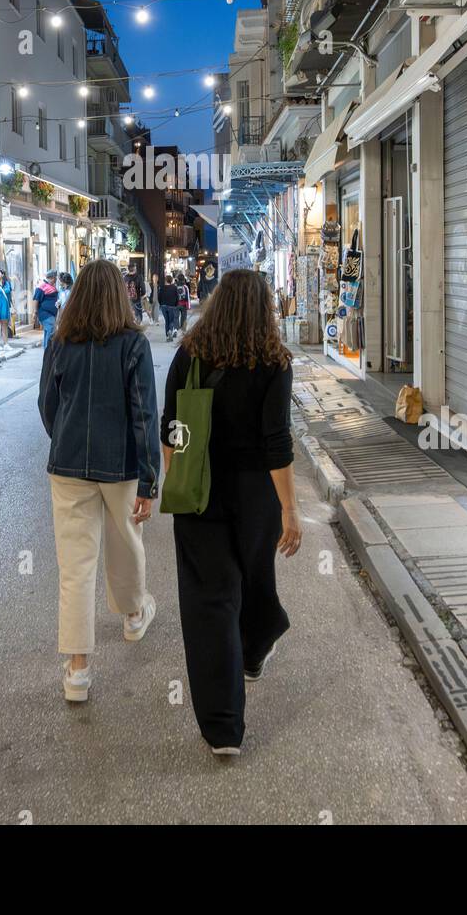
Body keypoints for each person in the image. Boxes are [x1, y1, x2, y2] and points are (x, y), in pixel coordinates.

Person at [161, 268, 301, 756]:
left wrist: (177, 473)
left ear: (217, 304)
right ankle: (259, 641)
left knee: (210, 602)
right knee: (253, 579)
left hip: (200, 491)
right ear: (264, 309)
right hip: (256, 495)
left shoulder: (190, 354)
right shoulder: (275, 362)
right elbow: (276, 442)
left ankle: (223, 728)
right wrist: (289, 509)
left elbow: (172, 427)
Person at [38, 259, 160, 703]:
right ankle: (132, 615)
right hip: (122, 465)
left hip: (68, 466)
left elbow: (47, 404)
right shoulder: (132, 345)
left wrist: (64, 438)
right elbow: (145, 414)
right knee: (126, 542)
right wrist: (149, 479)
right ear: (120, 294)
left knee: (75, 568)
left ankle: (77, 672)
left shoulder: (60, 342)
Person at [34, 272, 60, 346]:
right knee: (51, 330)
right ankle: (48, 351)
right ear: (51, 278)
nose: (56, 280)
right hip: (45, 313)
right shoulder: (41, 286)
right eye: (55, 278)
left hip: (50, 314)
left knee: (48, 331)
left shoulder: (50, 286)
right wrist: (35, 312)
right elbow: (36, 299)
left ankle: (46, 351)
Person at [0, 269, 13, 349]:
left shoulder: (7, 284)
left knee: (4, 326)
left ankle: (6, 344)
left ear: (2, 274)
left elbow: (10, 296)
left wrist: (13, 306)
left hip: (5, 307)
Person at [158, 273, 180, 341]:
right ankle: (170, 330)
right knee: (171, 320)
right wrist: (176, 304)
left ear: (166, 280)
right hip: (172, 306)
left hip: (163, 306)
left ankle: (167, 336)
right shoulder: (174, 287)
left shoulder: (162, 287)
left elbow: (159, 297)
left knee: (166, 321)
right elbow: (177, 297)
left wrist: (161, 304)